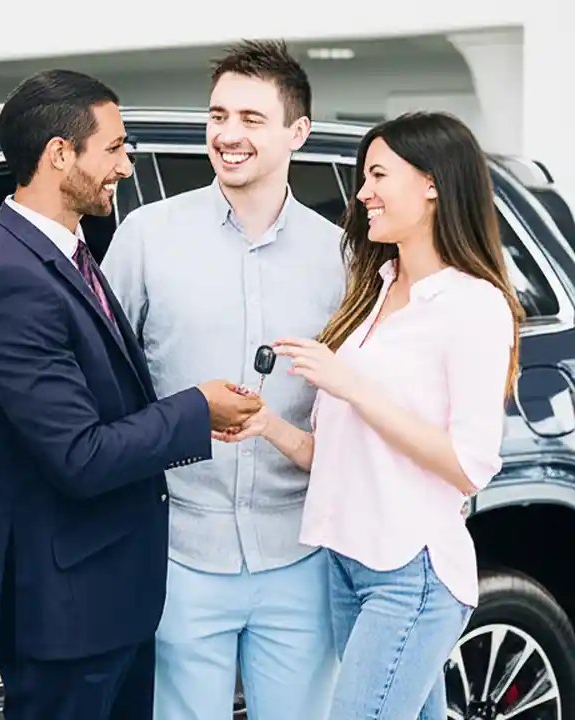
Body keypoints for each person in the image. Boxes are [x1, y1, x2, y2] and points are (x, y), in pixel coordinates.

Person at [0, 69, 263, 720]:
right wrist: (196, 412)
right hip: (67, 615)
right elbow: (80, 455)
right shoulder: (13, 280)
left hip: (107, 601)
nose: (125, 166)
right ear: (59, 154)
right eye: (115, 148)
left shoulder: (67, 253)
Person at [216, 110, 523, 718]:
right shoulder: (376, 290)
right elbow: (334, 451)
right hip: (347, 565)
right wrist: (269, 426)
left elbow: (468, 466)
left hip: (410, 572)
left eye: (378, 175)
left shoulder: (472, 305)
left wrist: (351, 385)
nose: (362, 193)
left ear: (432, 183)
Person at [101, 39, 344, 719]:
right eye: (217, 116)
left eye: (251, 119)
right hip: (178, 550)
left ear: (297, 132)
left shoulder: (342, 256)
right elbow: (109, 384)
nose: (228, 135)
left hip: (302, 555)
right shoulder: (147, 236)